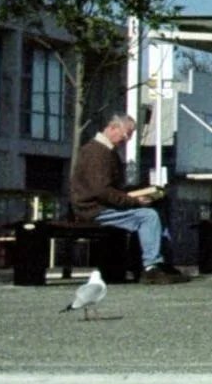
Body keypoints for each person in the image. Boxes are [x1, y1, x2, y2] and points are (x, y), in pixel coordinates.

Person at [69, 114, 186, 284]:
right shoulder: (96, 153)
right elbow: (102, 191)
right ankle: (151, 266)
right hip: (94, 209)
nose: (128, 139)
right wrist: (134, 200)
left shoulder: (105, 151)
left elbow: (110, 189)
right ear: (113, 128)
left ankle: (162, 262)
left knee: (158, 208)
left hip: (99, 205)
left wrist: (144, 191)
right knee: (148, 216)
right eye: (126, 134)